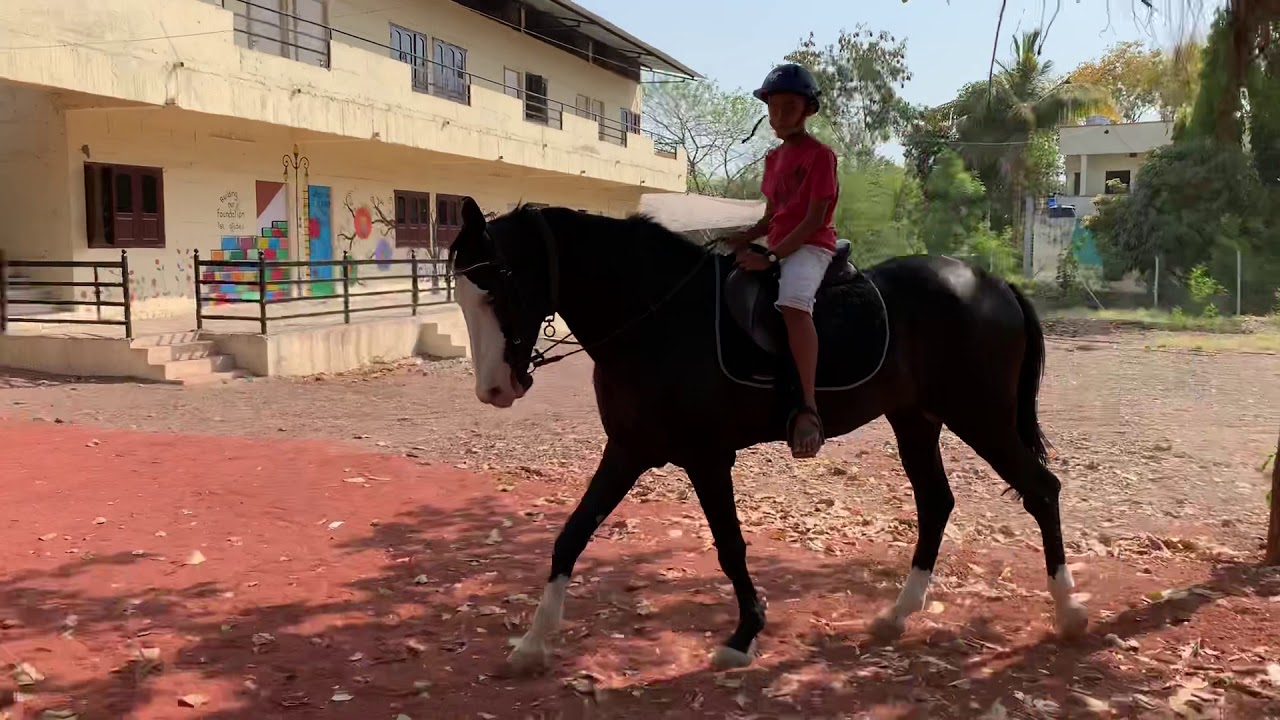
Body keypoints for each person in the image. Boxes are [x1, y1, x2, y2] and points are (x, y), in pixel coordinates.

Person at [727, 63, 839, 459]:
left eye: (788, 107)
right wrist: (739, 238)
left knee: (793, 304)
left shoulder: (820, 156)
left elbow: (813, 218)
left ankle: (808, 406)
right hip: (778, 243)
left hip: (810, 245)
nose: (778, 116)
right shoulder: (773, 159)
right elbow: (771, 216)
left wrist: (772, 256)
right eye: (773, 108)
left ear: (808, 110)